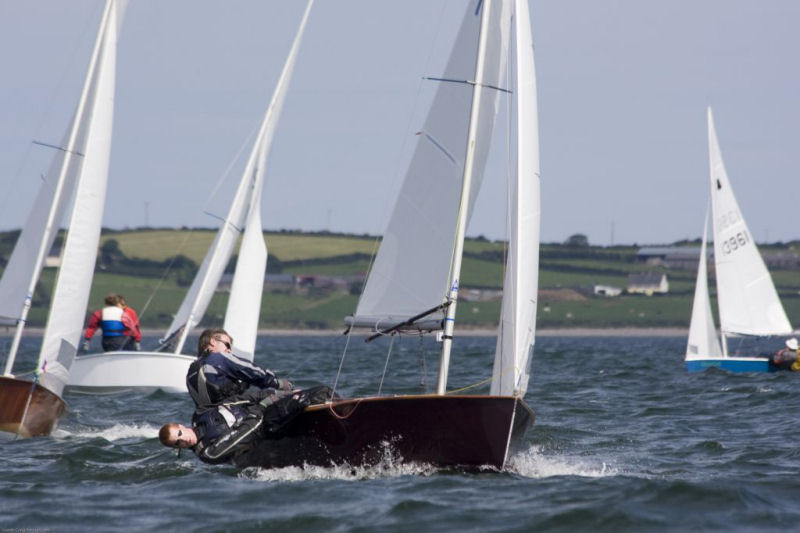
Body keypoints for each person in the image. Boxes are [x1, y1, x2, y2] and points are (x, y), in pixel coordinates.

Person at [159, 386, 333, 465]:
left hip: (264, 410)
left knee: (314, 392)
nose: (183, 441)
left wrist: (275, 393)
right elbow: (245, 434)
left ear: (181, 426)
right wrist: (262, 406)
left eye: (179, 435)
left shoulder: (200, 415)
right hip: (265, 427)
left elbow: (240, 400)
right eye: (177, 443)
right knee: (317, 394)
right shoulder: (208, 453)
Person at [186, 328, 293, 409]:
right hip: (229, 411)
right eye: (227, 345)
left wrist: (243, 384)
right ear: (213, 341)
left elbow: (217, 391)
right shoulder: (218, 358)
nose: (229, 351)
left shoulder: (191, 371)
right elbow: (252, 371)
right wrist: (276, 382)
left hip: (208, 418)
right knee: (277, 394)